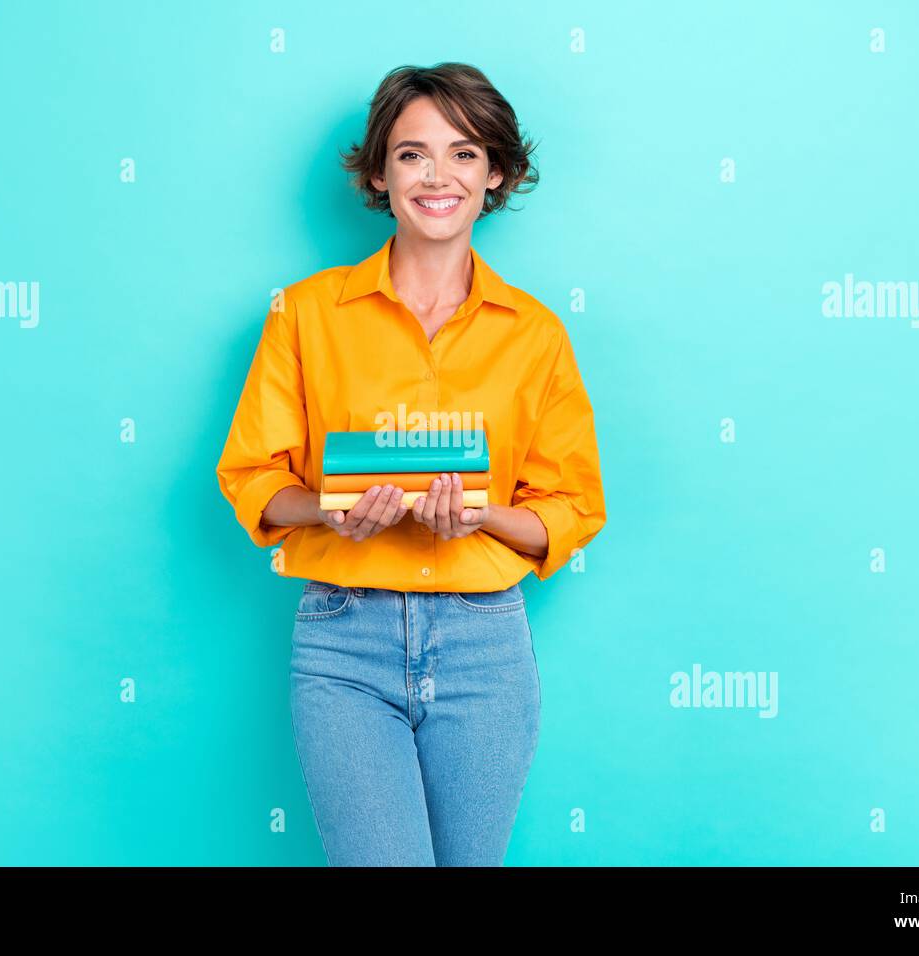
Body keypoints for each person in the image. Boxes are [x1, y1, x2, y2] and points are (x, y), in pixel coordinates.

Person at [216, 62, 607, 866]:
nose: (437, 176)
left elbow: (571, 506)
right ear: (379, 173)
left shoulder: (535, 335)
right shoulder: (305, 314)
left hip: (485, 645)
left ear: (496, 173)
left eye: (464, 154)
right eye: (411, 154)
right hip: (343, 636)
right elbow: (254, 474)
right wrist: (325, 505)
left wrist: (481, 514)